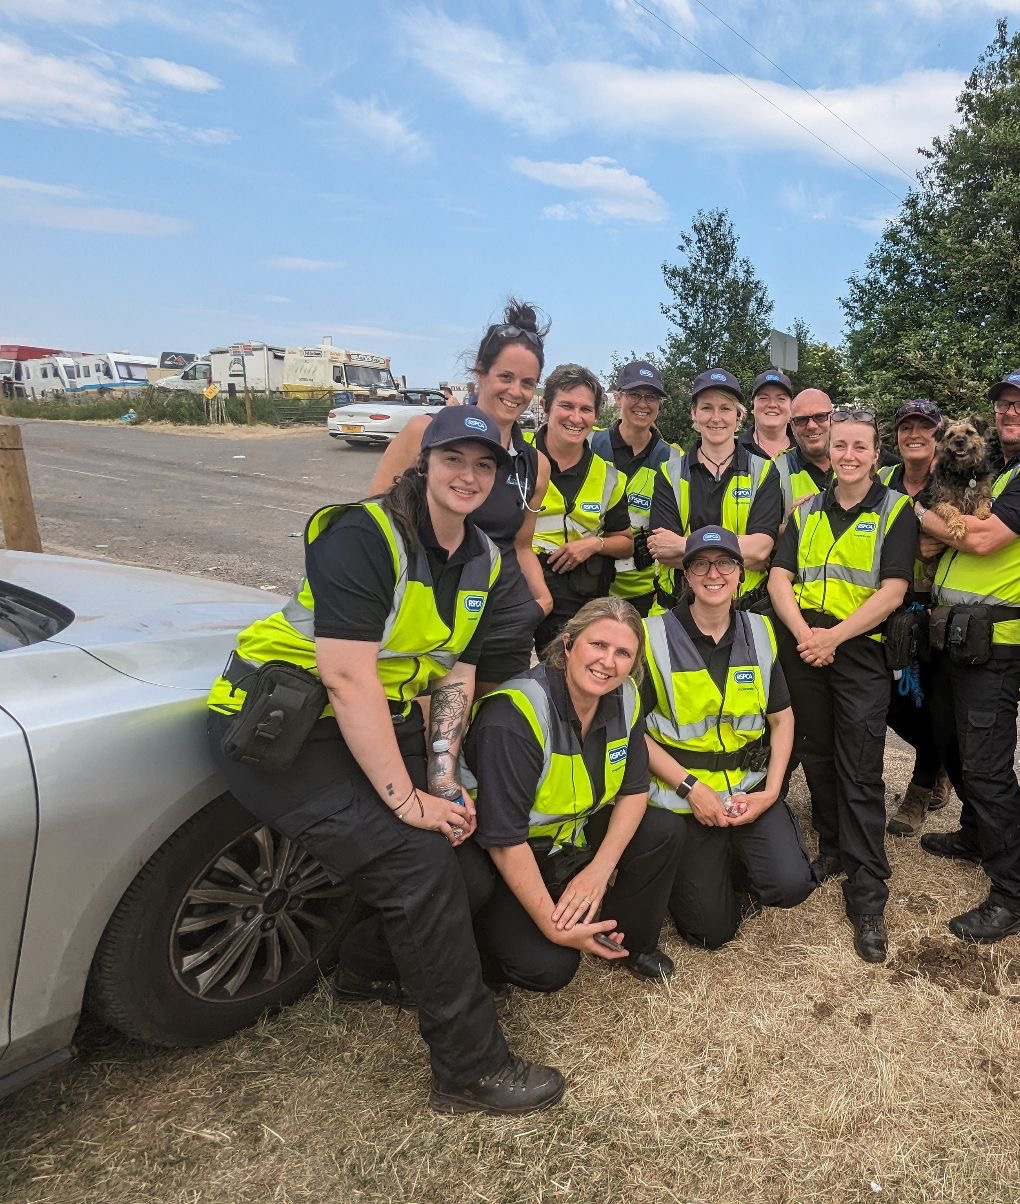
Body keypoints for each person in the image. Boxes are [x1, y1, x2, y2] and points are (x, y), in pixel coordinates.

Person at [205, 406, 561, 1116]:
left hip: (376, 722)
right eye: (454, 459)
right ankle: (470, 1070)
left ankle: (369, 968)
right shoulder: (362, 534)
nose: (469, 475)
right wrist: (406, 803)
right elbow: (346, 678)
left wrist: (440, 779)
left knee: (463, 856)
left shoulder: (484, 560)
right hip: (285, 728)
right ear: (423, 463)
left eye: (484, 465)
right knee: (415, 861)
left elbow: (455, 674)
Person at [915, 367, 1020, 943]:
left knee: (986, 765)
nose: (1011, 413)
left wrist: (912, 513)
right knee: (948, 742)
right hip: (955, 635)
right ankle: (974, 833)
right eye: (1003, 405)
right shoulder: (1001, 470)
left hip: (999, 643)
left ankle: (1014, 893)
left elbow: (983, 539)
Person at [465, 598, 686, 987]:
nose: (608, 662)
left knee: (663, 829)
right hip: (502, 857)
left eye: (623, 653)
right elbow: (503, 840)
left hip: (569, 838)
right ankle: (476, 946)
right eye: (597, 645)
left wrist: (598, 874)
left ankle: (628, 942)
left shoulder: (626, 697)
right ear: (567, 645)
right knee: (549, 968)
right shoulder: (514, 715)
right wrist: (553, 929)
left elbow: (635, 791)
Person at [770, 411, 918, 962]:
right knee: (818, 754)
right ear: (827, 452)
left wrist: (833, 637)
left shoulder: (896, 510)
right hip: (805, 642)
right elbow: (780, 577)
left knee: (859, 768)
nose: (849, 455)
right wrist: (807, 634)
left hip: (858, 650)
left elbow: (894, 590)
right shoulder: (806, 509)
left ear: (876, 454)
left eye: (860, 446)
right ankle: (833, 849)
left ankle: (867, 893)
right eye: (840, 446)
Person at [641, 527, 813, 949]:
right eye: (701, 563)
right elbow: (630, 732)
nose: (713, 574)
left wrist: (771, 792)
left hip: (748, 789)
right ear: (686, 575)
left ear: (740, 573)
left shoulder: (760, 630)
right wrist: (690, 787)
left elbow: (782, 720)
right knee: (710, 933)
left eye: (725, 564)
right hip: (684, 797)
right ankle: (704, 868)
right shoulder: (651, 636)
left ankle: (736, 856)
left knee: (792, 887)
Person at [371, 302, 553, 685]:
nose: (515, 392)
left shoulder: (534, 464)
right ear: (479, 374)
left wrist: (541, 602)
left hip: (502, 624)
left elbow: (520, 546)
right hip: (426, 618)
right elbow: (374, 527)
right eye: (505, 376)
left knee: (496, 733)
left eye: (527, 383)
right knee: (425, 733)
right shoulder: (424, 434)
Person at [647, 368, 782, 612]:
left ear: (739, 416)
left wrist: (683, 545)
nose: (716, 417)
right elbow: (663, 550)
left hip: (744, 612)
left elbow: (761, 551)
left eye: (725, 408)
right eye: (707, 408)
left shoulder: (764, 472)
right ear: (694, 414)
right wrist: (737, 553)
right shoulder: (669, 473)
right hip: (676, 611)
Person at [878, 399, 951, 837]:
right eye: (906, 427)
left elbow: (946, 540)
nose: (914, 434)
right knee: (892, 702)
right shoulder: (884, 478)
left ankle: (919, 791)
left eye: (924, 426)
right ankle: (937, 761)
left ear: (938, 434)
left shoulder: (951, 481)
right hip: (890, 605)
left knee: (933, 705)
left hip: (937, 608)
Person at [528, 364, 633, 651]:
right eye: (566, 406)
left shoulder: (609, 476)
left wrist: (593, 545)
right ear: (546, 406)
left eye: (586, 409)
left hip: (577, 597)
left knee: (562, 683)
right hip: (517, 588)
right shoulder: (515, 454)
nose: (576, 418)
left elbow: (625, 543)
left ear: (596, 415)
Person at [589, 360, 681, 617]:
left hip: (642, 590)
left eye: (651, 397)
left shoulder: (673, 459)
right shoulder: (590, 445)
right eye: (634, 395)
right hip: (586, 583)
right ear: (618, 398)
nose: (643, 403)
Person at [772, 387, 835, 514]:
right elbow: (761, 530)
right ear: (792, 426)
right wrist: (793, 526)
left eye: (820, 416)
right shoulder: (773, 470)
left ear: (833, 418)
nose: (811, 426)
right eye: (801, 420)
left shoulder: (861, 461)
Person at [739, 368, 796, 462]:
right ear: (753, 407)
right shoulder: (735, 449)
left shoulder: (806, 449)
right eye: (764, 398)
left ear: (791, 407)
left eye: (781, 398)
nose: (772, 404)